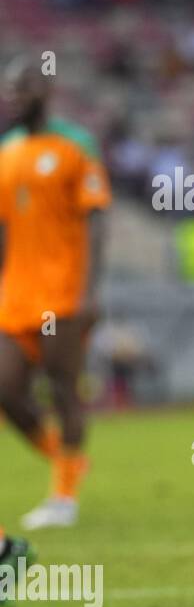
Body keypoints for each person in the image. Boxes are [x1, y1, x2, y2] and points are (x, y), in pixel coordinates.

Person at [0, 56, 110, 529]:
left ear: (46, 90)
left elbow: (97, 219)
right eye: (10, 89)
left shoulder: (76, 145)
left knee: (64, 389)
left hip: (63, 292)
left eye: (23, 88)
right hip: (15, 293)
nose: (14, 97)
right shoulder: (6, 149)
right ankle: (65, 460)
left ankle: (63, 498)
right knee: (5, 388)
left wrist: (89, 291)